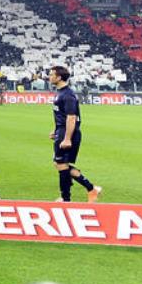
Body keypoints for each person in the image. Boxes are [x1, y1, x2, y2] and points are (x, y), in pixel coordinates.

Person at [48, 66, 102, 202]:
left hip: (68, 133)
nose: (49, 77)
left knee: (61, 164)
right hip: (62, 131)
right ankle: (90, 189)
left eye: (51, 74)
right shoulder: (60, 93)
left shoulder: (68, 95)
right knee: (60, 164)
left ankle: (67, 199)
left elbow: (71, 117)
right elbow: (60, 115)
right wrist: (55, 131)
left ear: (59, 77)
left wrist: (66, 138)